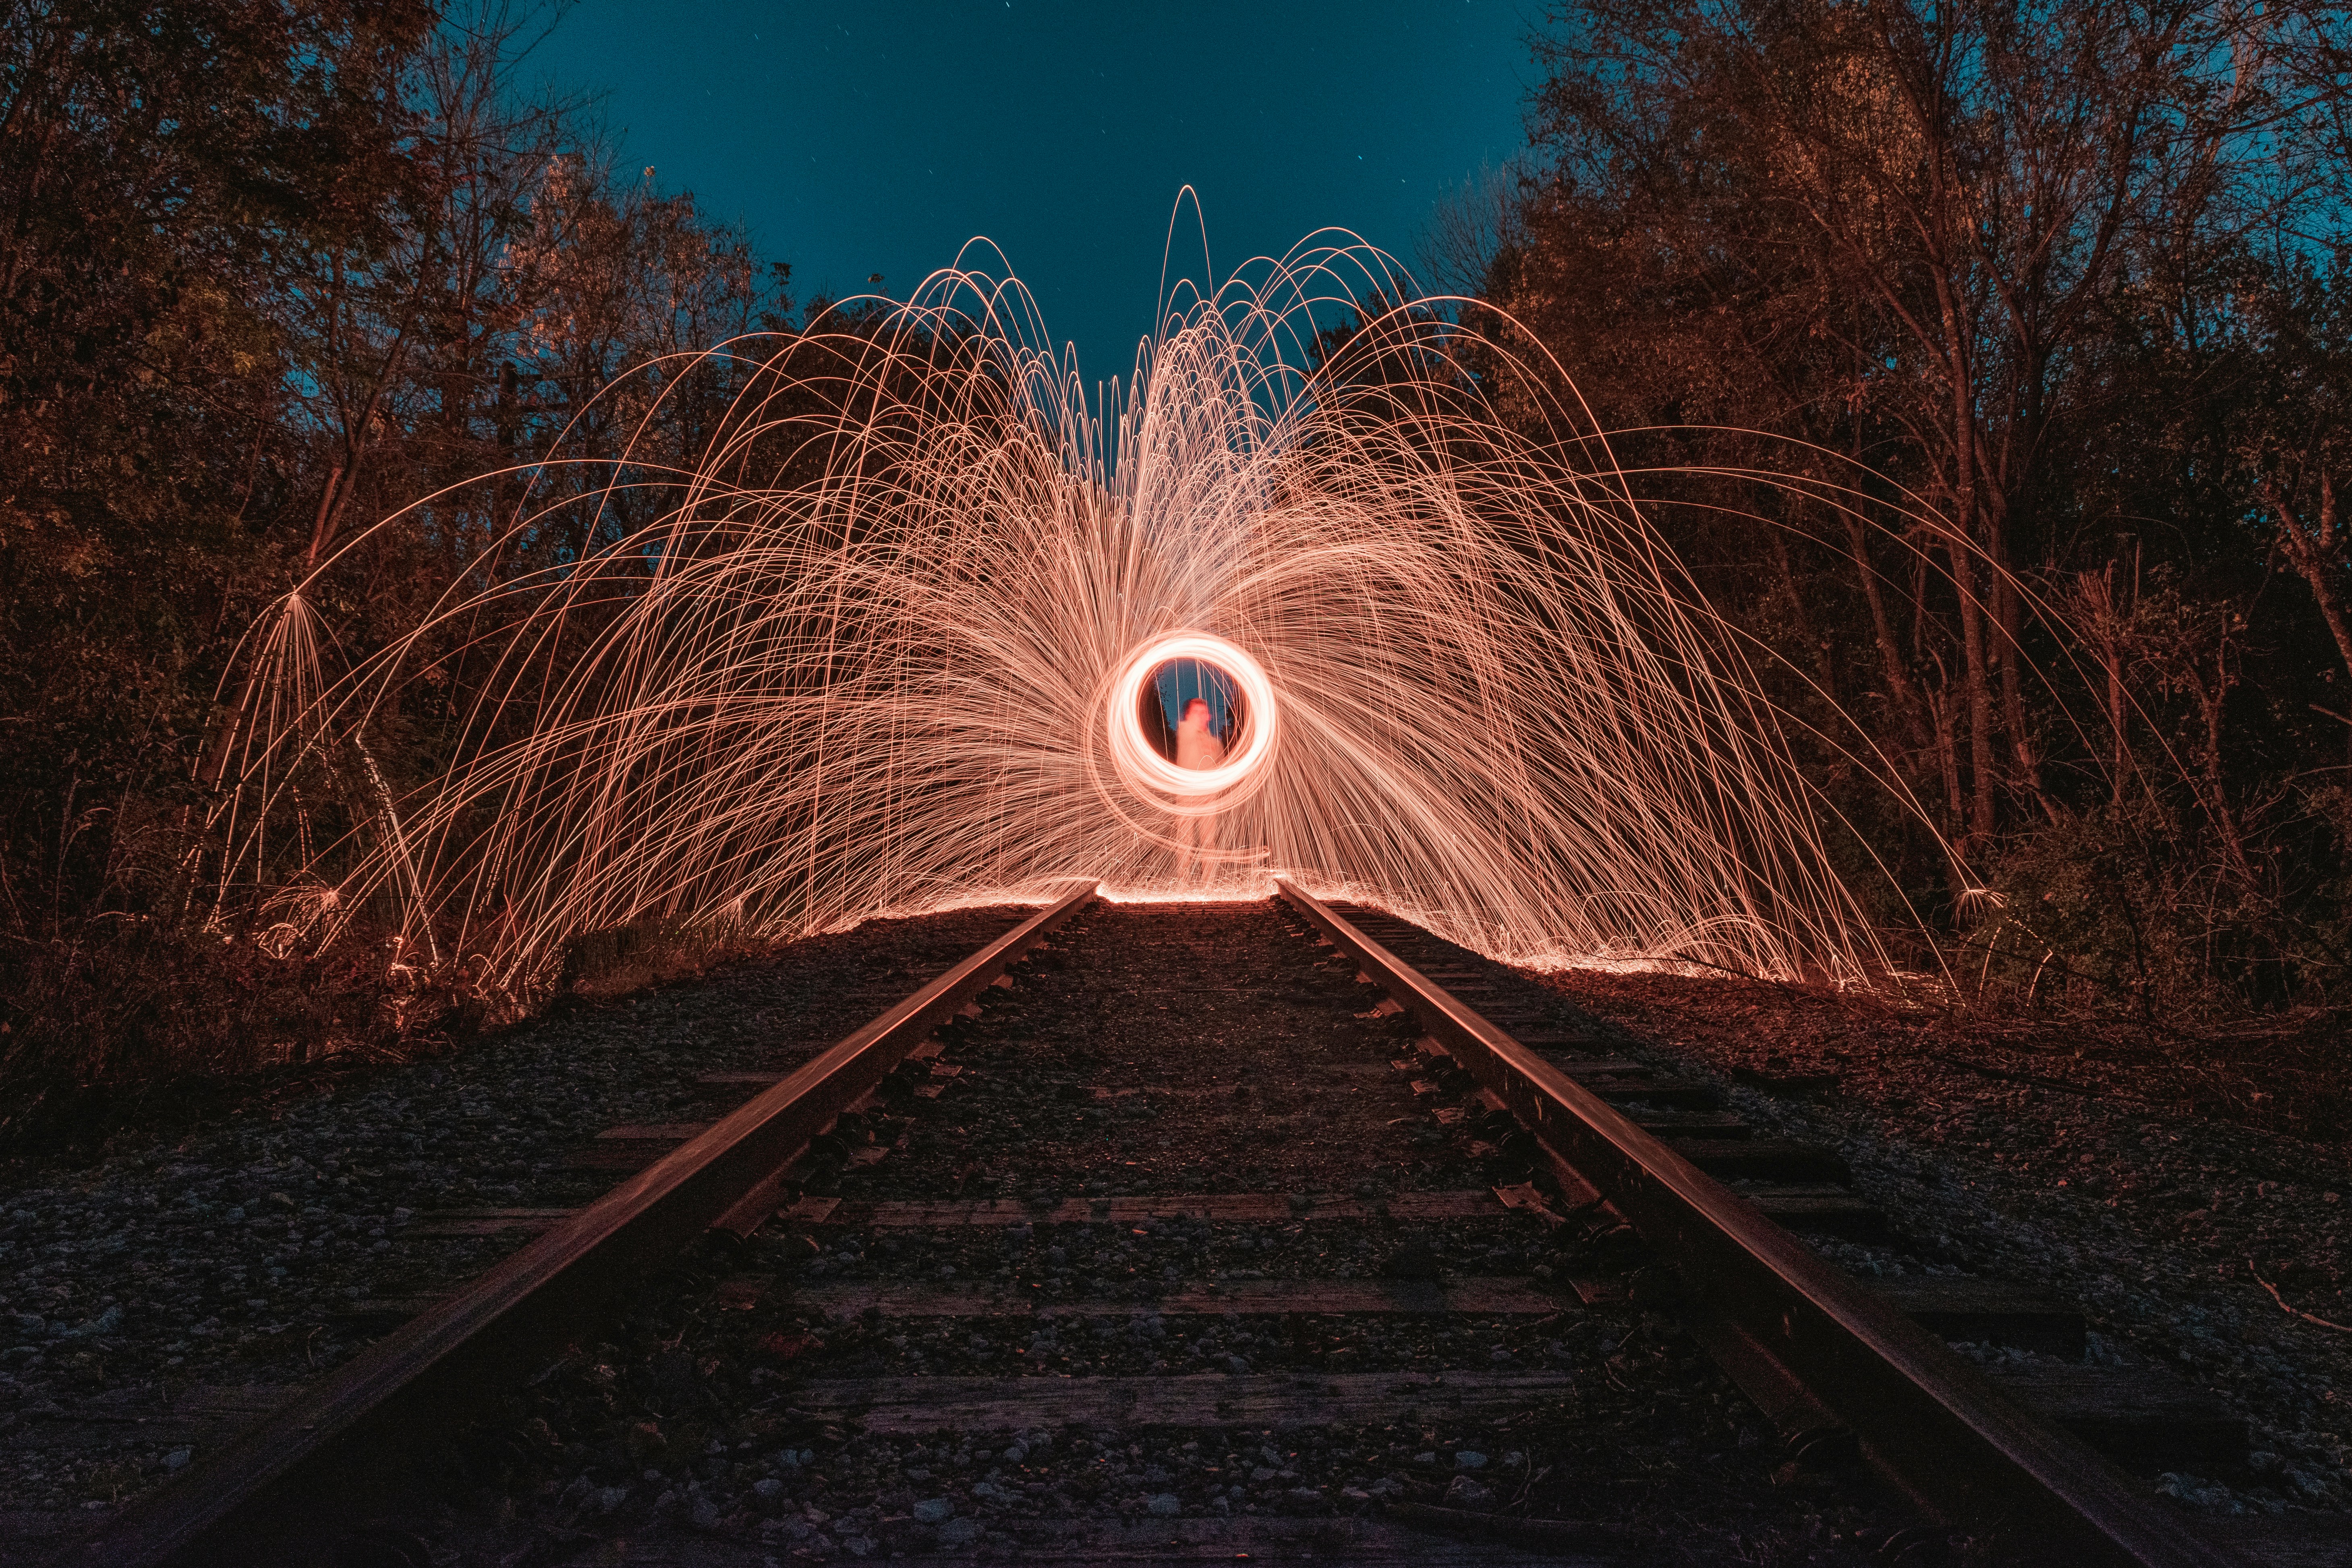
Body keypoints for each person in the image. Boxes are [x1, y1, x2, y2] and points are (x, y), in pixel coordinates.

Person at [1172, 698, 1225, 882]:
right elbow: (1188, 726)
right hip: (1187, 794)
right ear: (1188, 716)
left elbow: (1222, 768)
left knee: (1209, 843)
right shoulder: (1185, 731)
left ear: (1210, 716)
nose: (1201, 716)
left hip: (1209, 796)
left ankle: (1209, 883)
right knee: (1185, 841)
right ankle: (1183, 883)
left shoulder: (1215, 742)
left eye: (1204, 713)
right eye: (1196, 712)